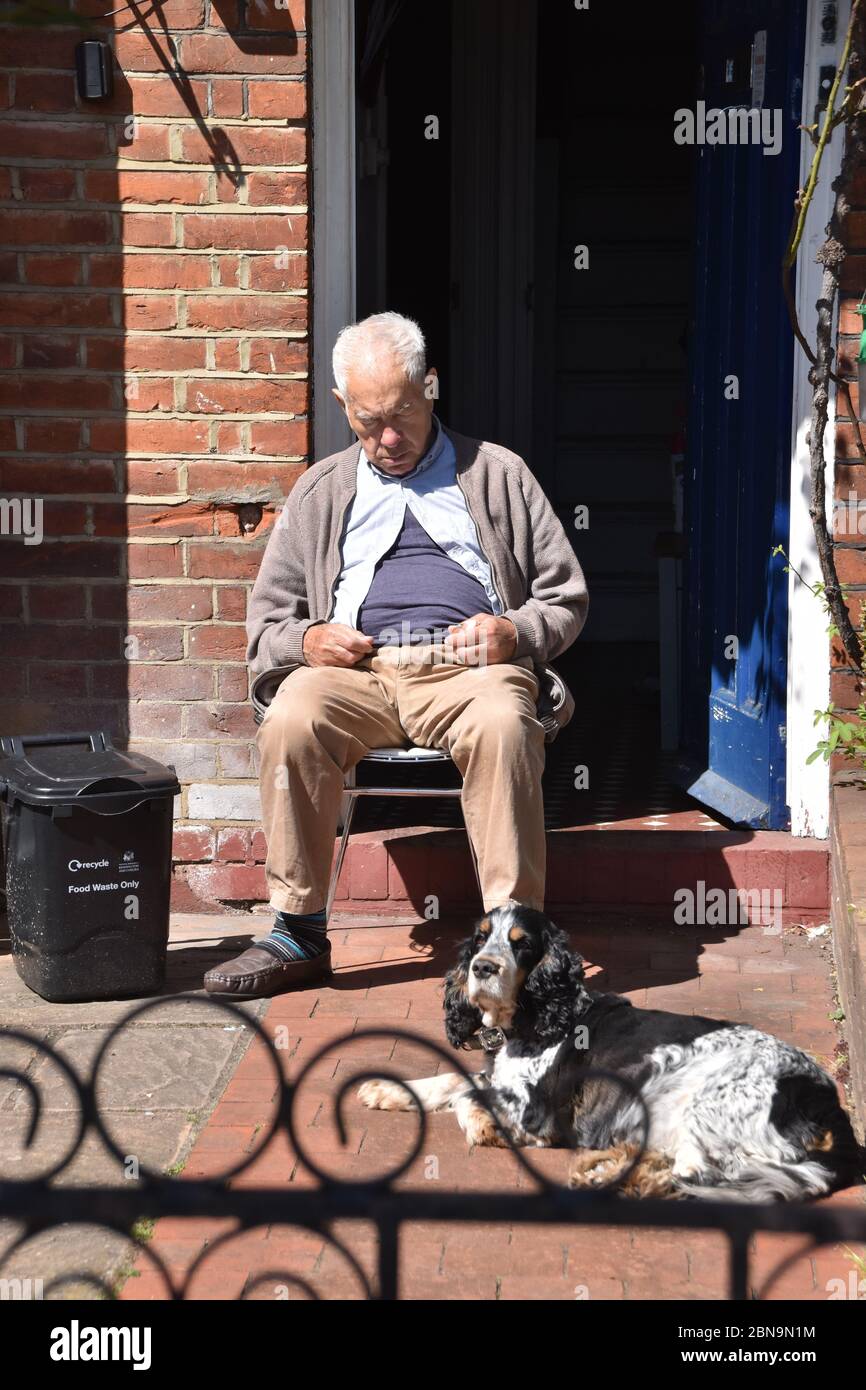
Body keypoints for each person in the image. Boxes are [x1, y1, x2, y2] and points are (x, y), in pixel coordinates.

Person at [203, 312, 588, 998]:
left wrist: (515, 634)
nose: (388, 438)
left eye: (403, 414)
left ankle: (513, 939)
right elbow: (268, 622)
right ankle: (297, 932)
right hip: (359, 674)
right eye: (368, 420)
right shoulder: (322, 491)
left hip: (471, 670)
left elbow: (566, 597)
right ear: (342, 408)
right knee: (291, 718)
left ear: (430, 387)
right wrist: (308, 640)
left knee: (504, 723)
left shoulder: (498, 475)